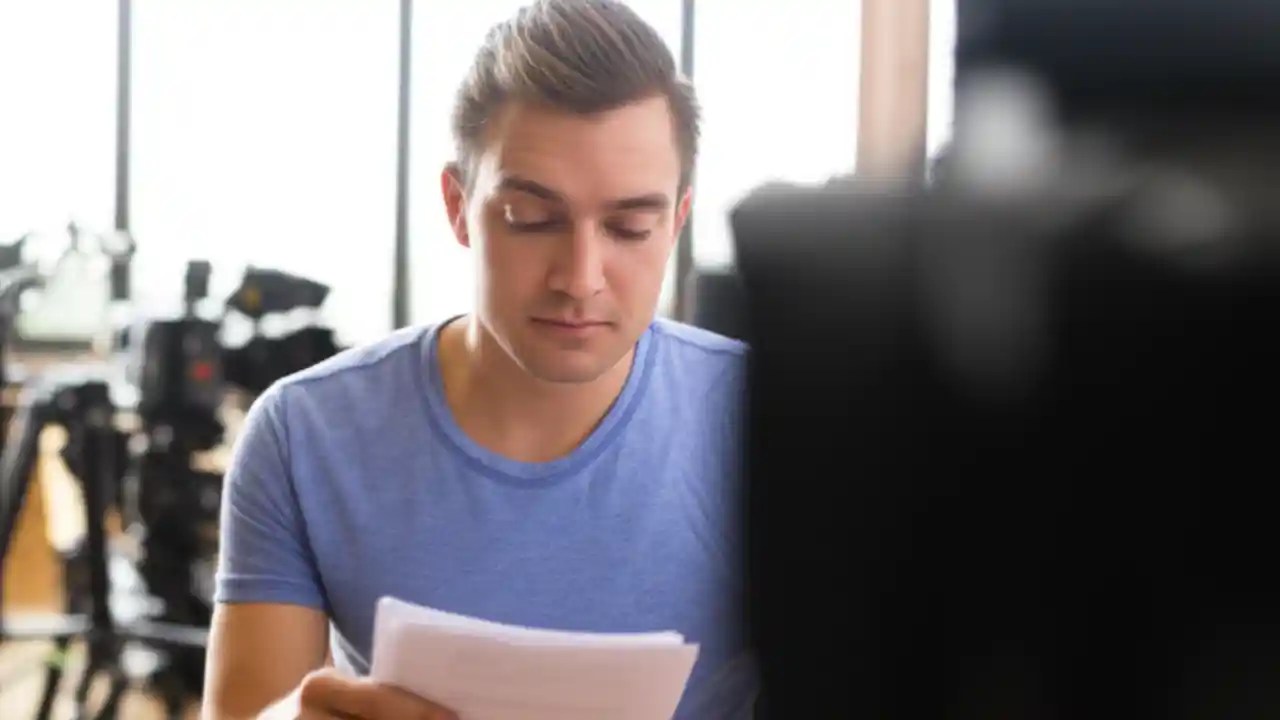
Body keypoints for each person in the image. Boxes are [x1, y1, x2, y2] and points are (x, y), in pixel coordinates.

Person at [201, 0, 758, 717]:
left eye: (630, 226)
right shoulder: (305, 436)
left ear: (677, 222)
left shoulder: (766, 416)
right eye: (533, 218)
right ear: (459, 206)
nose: (580, 276)